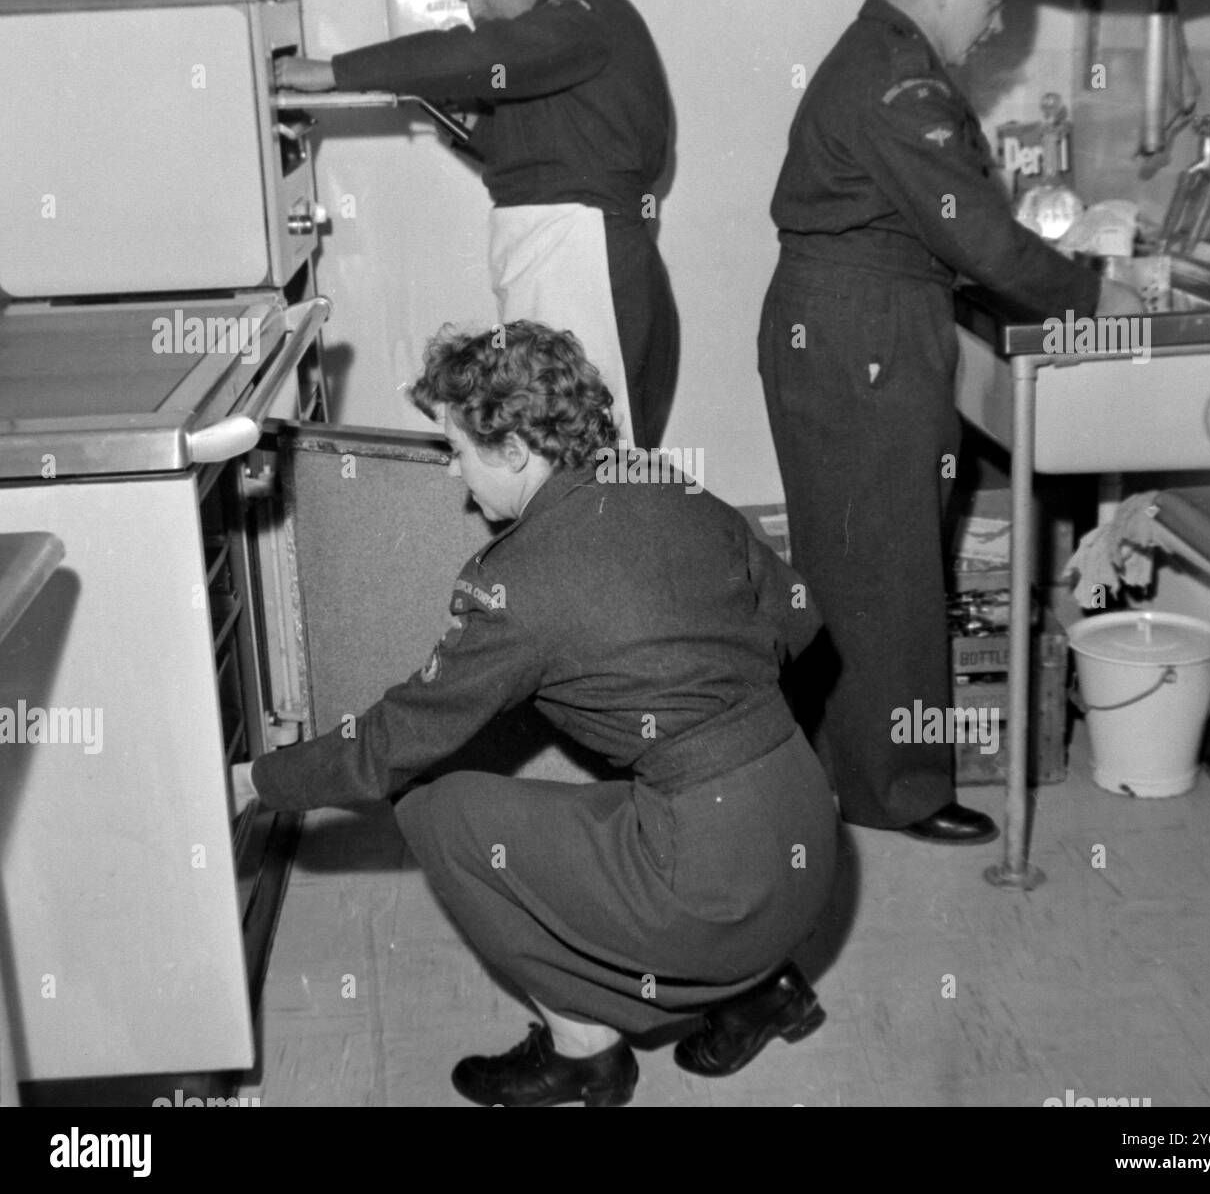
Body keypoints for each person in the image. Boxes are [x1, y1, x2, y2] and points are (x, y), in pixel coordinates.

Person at [232, 321, 839, 1107]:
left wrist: (254, 781)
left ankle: (584, 1053)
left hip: (718, 889)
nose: (456, 479)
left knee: (433, 807)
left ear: (515, 449)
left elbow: (387, 746)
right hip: (806, 832)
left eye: (455, 451)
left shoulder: (515, 587)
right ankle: (756, 992)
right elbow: (800, 616)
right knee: (611, 808)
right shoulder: (663, 483)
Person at [758, 0, 1143, 840]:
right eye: (993, 0)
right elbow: (980, 237)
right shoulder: (900, 79)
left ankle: (847, 772)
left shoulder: (881, 58)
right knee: (884, 568)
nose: (998, 23)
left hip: (848, 322)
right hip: (866, 335)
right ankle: (898, 793)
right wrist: (1098, 302)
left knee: (854, 561)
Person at [275, 0, 678, 450]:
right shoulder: (565, 35)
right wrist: (446, 111)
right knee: (559, 442)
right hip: (561, 250)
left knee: (596, 450)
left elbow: (484, 52)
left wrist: (333, 73)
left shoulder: (579, 16)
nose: (473, 9)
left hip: (582, 253)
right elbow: (527, 148)